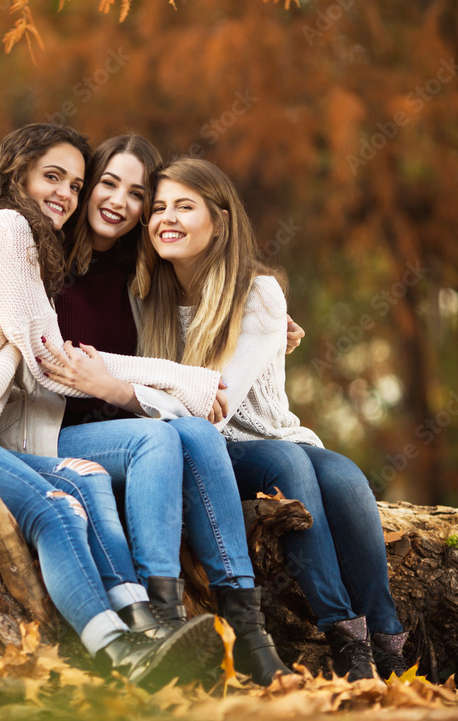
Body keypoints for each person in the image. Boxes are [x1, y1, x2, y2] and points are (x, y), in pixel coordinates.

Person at [0, 134, 296, 686]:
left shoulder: (147, 272)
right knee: (159, 440)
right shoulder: (36, 246)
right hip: (38, 427)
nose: (116, 200)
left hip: (115, 425)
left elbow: (207, 298)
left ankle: (244, 628)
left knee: (197, 435)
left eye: (137, 193)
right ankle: (162, 617)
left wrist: (267, 322)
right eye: (105, 184)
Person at [133, 156, 408, 682]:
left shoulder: (257, 292)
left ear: (221, 219)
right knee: (288, 462)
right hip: (211, 449)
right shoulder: (147, 300)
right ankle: (344, 636)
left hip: (276, 437)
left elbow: (224, 396)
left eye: (184, 206)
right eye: (159, 207)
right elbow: (202, 412)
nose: (166, 217)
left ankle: (389, 643)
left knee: (347, 478)